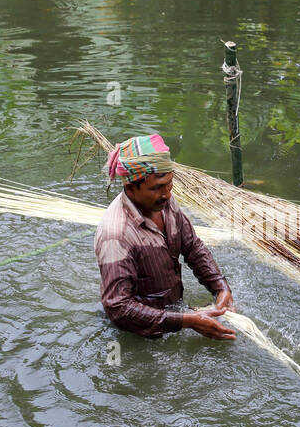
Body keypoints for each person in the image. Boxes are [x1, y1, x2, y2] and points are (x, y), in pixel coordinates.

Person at [94, 133, 236, 340]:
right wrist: (187, 321)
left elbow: (192, 247)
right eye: (157, 188)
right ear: (131, 187)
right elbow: (119, 308)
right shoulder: (115, 236)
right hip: (141, 334)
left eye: (169, 184)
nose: (167, 194)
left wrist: (220, 287)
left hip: (173, 314)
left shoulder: (164, 201)